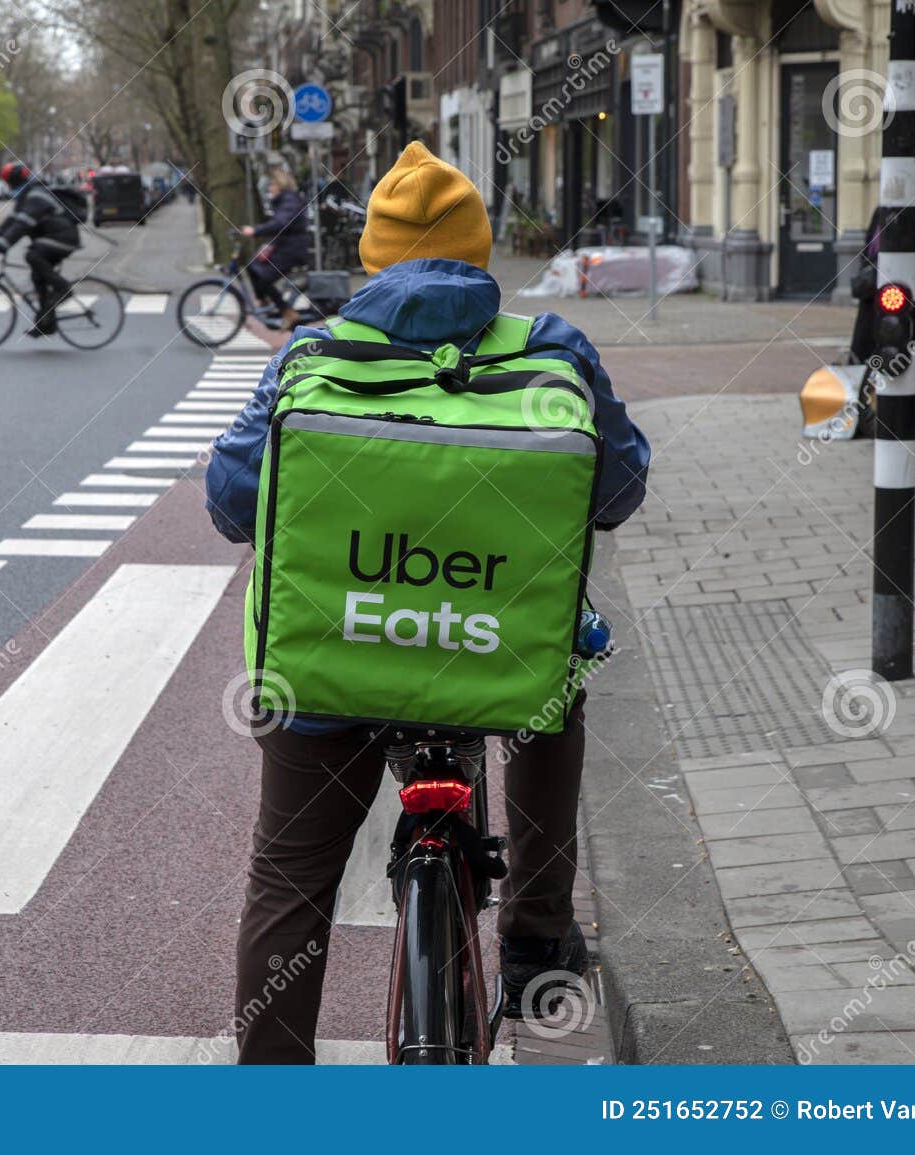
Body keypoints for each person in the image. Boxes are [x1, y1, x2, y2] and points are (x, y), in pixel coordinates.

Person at [204, 141, 650, 1064]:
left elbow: (230, 502)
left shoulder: (312, 357)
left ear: (372, 259)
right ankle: (533, 937)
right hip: (495, 656)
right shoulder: (552, 350)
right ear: (480, 256)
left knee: (290, 880)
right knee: (552, 689)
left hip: (328, 668)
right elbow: (617, 491)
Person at [0, 162, 80, 337]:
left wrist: (2, 245)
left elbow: (22, 225)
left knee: (33, 255)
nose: (8, 187)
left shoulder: (36, 196)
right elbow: (11, 221)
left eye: (8, 183)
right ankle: (46, 323)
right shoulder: (26, 195)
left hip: (63, 239)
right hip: (51, 238)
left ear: (14, 181)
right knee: (37, 276)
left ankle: (63, 289)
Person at [240, 166, 310, 329]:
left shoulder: (289, 200)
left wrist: (255, 230)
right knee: (252, 266)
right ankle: (264, 300)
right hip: (284, 247)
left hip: (292, 250)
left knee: (264, 278)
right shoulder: (283, 201)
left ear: (280, 185)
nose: (269, 188)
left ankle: (288, 312)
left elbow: (281, 223)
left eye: (271, 185)